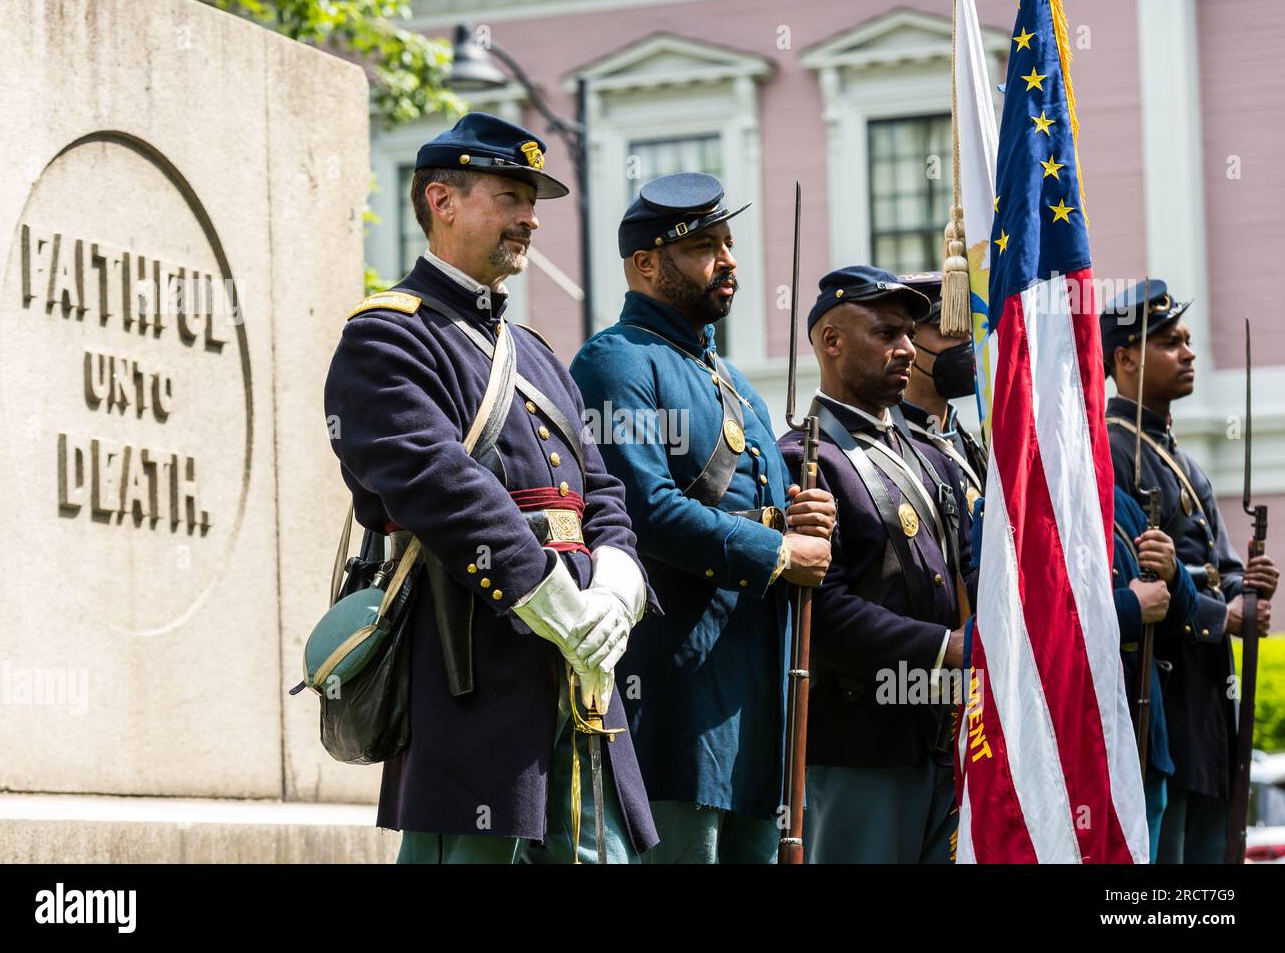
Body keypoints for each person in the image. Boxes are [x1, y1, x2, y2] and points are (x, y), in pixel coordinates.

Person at [323, 112, 658, 864]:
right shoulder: (388, 335)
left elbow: (600, 490)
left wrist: (616, 589)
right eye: (511, 196)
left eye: (531, 201)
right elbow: (440, 486)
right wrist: (559, 606)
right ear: (442, 201)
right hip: (471, 675)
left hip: (584, 676)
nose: (530, 218)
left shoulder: (534, 352)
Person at [569, 172, 835, 863]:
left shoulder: (736, 382)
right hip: (672, 708)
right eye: (705, 245)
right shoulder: (615, 361)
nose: (729, 259)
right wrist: (779, 552)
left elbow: (754, 513)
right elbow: (643, 511)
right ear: (646, 264)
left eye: (730, 241)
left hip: (757, 710)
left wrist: (801, 517)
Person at [779, 265, 977, 863]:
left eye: (909, 335)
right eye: (887, 332)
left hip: (944, 739)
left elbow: (965, 566)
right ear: (831, 341)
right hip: (858, 747)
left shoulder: (932, 456)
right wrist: (947, 648)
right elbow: (824, 614)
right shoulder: (806, 457)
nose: (906, 348)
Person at [1101, 278, 1278, 863]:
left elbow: (1222, 566)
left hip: (1206, 695)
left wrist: (1246, 593)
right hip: (1159, 689)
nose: (1189, 352)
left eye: (1187, 340)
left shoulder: (1183, 459)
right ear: (1125, 358)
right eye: (1171, 342)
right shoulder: (1108, 453)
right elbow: (1127, 579)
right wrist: (1218, 615)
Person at [1108, 485, 1198, 860]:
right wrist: (1129, 607)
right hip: (1088, 745)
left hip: (1146, 739)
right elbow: (1036, 620)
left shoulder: (1122, 503)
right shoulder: (1037, 490)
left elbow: (1183, 611)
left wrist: (1173, 572)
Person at [896, 271, 987, 516]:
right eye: (949, 330)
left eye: (966, 330)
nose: (966, 341)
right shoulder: (890, 442)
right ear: (907, 341)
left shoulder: (968, 443)